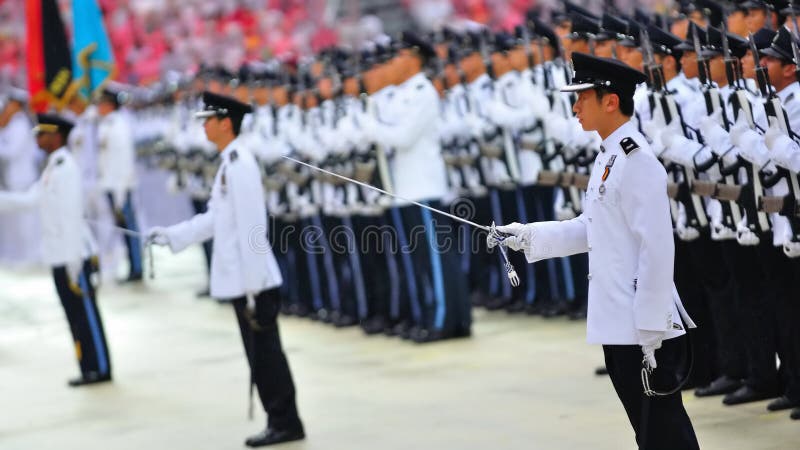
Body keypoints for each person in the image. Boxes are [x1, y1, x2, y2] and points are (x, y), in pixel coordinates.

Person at [490, 53, 699, 449]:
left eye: (583, 97)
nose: (575, 107)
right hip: (620, 323)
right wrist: (527, 236)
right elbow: (593, 227)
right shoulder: (609, 156)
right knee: (650, 433)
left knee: (665, 432)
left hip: (642, 328)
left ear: (610, 101)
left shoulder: (636, 161)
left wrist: (651, 330)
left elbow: (657, 248)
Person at [147, 92, 304, 447]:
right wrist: (172, 236)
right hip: (245, 281)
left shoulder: (239, 164)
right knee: (259, 355)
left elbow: (252, 228)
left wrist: (253, 287)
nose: (204, 126)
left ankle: (285, 422)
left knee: (266, 355)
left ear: (226, 123)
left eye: (209, 120)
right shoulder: (228, 163)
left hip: (254, 282)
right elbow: (215, 220)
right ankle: (280, 420)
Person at [0, 113, 109, 387]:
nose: (37, 138)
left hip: (74, 255)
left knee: (86, 315)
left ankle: (100, 368)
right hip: (59, 254)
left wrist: (73, 262)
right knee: (74, 316)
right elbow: (29, 200)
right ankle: (88, 367)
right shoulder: (53, 167)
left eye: (42, 133)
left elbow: (72, 216)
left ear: (57, 136)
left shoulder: (66, 168)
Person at [96, 87, 142, 282]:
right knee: (122, 228)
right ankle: (132, 266)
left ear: (109, 105)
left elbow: (124, 160)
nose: (98, 108)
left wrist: (120, 191)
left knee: (129, 227)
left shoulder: (118, 125)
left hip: (120, 186)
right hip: (111, 184)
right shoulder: (106, 124)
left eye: (101, 104)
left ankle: (137, 268)